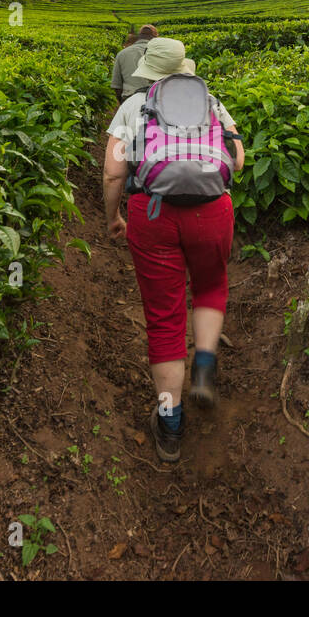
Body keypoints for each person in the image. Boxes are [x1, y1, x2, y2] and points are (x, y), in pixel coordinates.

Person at [102, 37, 246, 463]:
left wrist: (113, 216)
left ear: (148, 70)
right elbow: (236, 158)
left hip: (152, 214)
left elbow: (113, 172)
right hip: (212, 209)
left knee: (164, 316)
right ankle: (203, 361)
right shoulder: (211, 101)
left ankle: (170, 423)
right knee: (209, 285)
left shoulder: (133, 106)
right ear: (185, 68)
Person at [111, 24, 158, 100]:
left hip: (129, 97)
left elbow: (117, 86)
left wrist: (122, 104)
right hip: (154, 99)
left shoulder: (122, 54)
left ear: (139, 36)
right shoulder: (159, 53)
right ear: (155, 37)